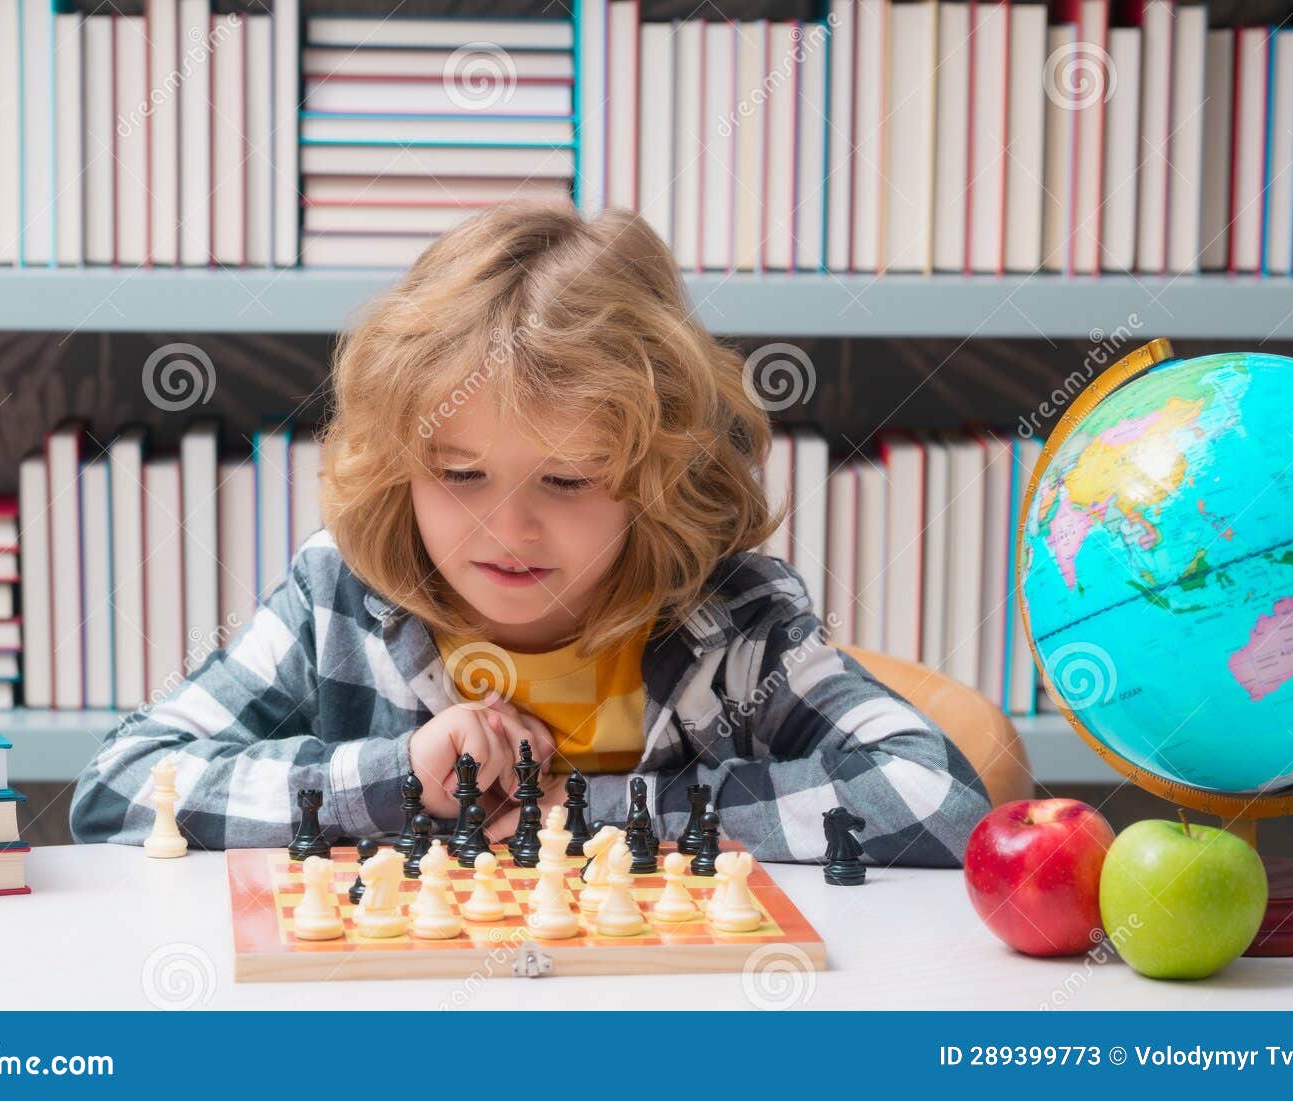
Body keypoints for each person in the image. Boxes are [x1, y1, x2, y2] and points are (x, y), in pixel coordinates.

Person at [68, 202, 991, 867]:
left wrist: (604, 813)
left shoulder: (735, 621)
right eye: (460, 473)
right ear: (398, 464)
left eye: (569, 479)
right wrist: (396, 776)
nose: (508, 527)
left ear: (658, 479)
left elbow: (939, 797)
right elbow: (119, 786)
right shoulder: (341, 596)